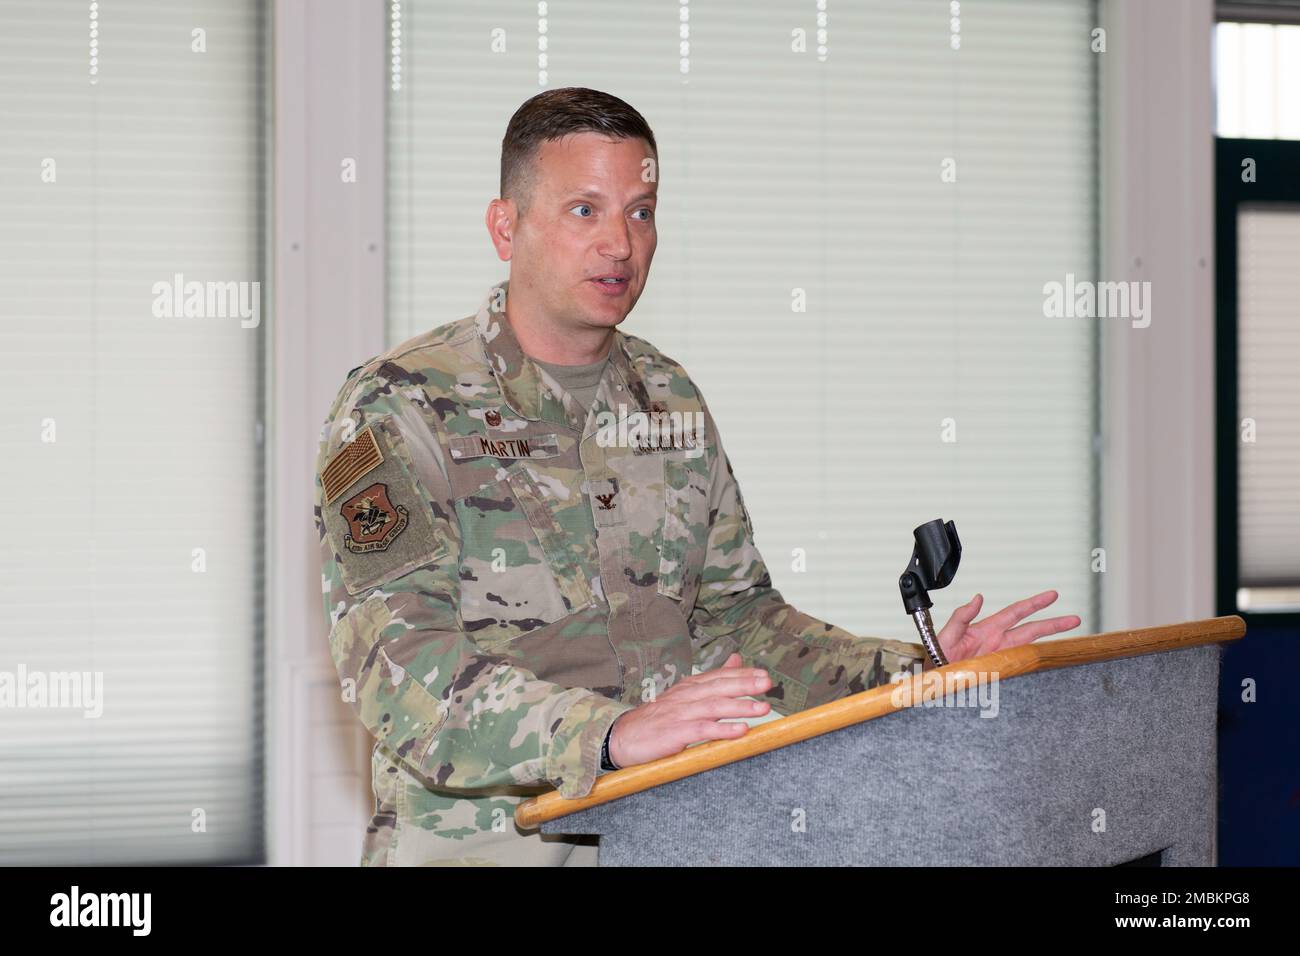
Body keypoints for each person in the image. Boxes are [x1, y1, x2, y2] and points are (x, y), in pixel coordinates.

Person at [312, 87, 1080, 866]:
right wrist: (605, 734)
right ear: (505, 227)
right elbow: (394, 661)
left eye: (641, 211)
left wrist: (917, 670)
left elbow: (739, 620)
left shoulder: (667, 395)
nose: (619, 243)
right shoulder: (399, 403)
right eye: (585, 210)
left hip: (676, 834)